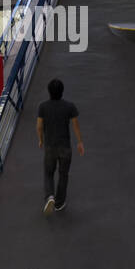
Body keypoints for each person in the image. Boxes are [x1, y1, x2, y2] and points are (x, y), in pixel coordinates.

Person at [36, 78, 84, 215]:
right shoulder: (70, 106)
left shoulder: (43, 106)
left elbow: (39, 126)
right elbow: (75, 126)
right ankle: (59, 202)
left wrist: (40, 140)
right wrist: (80, 142)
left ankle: (50, 196)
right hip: (65, 147)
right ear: (62, 91)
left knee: (48, 173)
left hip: (50, 147)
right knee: (63, 175)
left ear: (49, 91)